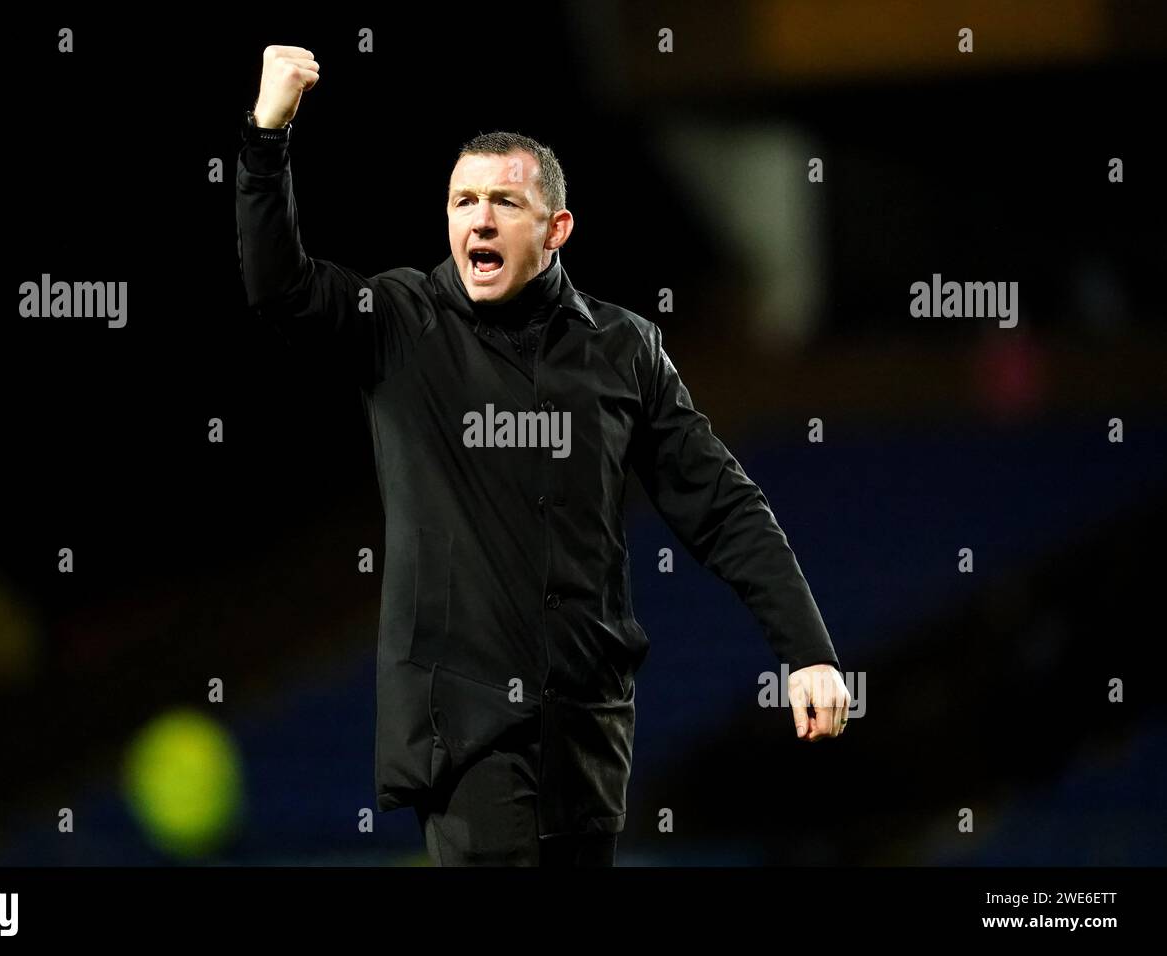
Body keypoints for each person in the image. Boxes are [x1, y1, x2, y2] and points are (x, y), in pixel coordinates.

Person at [235, 45, 850, 866]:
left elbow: (723, 506)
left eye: (503, 202)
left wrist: (807, 650)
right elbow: (280, 288)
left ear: (556, 228)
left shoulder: (625, 350)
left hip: (589, 732)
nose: (478, 219)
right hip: (469, 731)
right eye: (462, 201)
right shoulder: (400, 322)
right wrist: (267, 133)